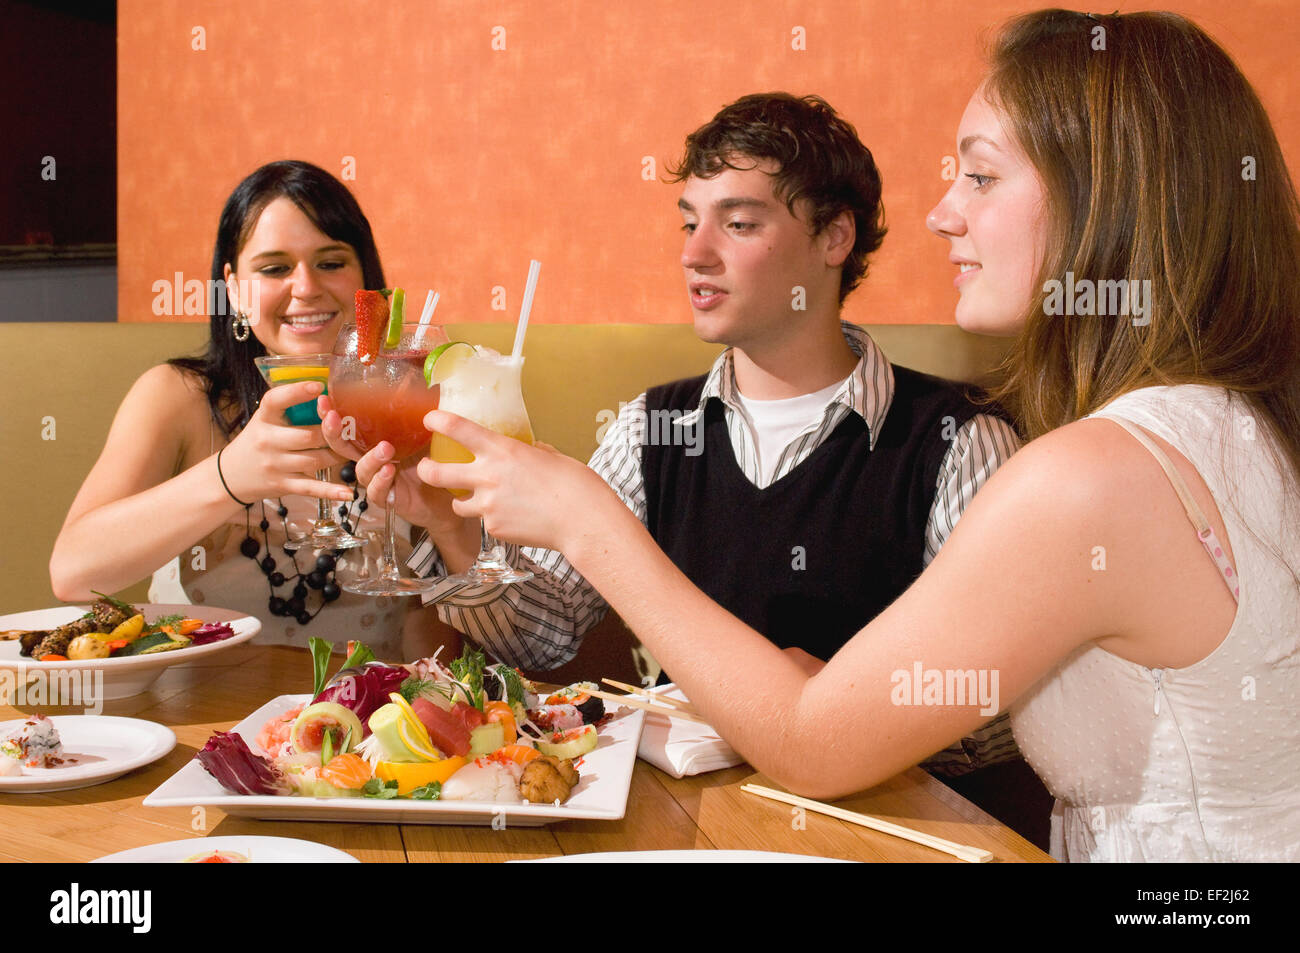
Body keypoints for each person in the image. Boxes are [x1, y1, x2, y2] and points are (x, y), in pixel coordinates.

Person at [413, 10, 1300, 862]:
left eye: (981, 177)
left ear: (1109, 198)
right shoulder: (1234, 425)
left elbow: (812, 740)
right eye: (689, 220)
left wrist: (588, 519)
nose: (942, 213)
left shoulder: (1081, 473)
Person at [326, 93, 1025, 780]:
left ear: (834, 237)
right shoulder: (651, 428)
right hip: (690, 817)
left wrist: (846, 707)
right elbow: (542, 638)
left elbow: (1001, 715)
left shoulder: (959, 441)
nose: (695, 253)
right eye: (689, 223)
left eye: (739, 224)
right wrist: (448, 525)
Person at [49, 160, 451, 659]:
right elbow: (73, 573)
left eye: (330, 263)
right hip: (198, 703)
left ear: (366, 283)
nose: (306, 287)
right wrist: (229, 476)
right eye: (274, 268)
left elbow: (434, 631)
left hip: (357, 707)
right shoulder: (179, 396)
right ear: (234, 289)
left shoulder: (413, 403)